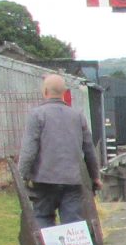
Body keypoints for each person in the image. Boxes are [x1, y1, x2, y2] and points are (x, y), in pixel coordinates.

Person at [18, 73, 101, 229]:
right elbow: (89, 149)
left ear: (45, 91)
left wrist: (21, 176)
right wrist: (95, 176)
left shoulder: (36, 115)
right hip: (72, 180)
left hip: (44, 180)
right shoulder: (77, 116)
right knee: (72, 225)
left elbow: (29, 149)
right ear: (64, 92)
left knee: (43, 218)